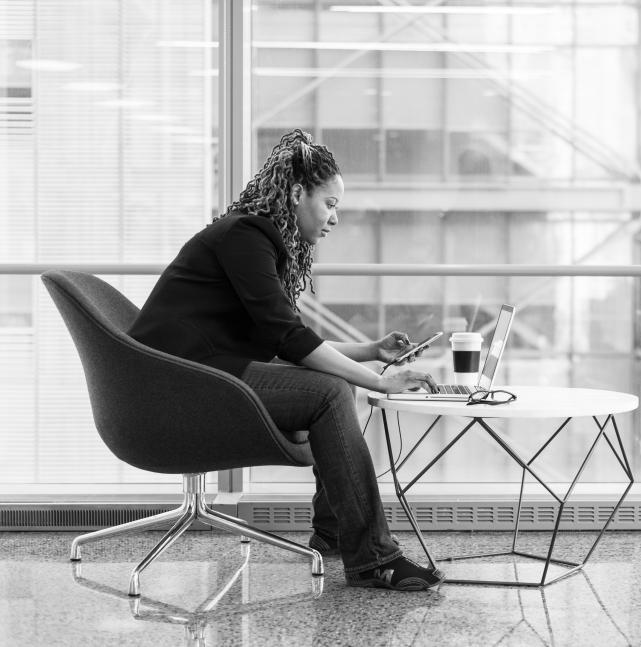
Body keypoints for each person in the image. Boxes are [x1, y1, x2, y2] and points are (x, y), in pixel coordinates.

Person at [128, 129, 444, 591]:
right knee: (331, 389)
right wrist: (381, 382)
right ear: (297, 193)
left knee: (335, 382)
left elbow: (287, 339)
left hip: (199, 374)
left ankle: (335, 534)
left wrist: (372, 353)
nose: (335, 218)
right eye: (330, 204)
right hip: (174, 385)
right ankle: (374, 557)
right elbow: (289, 338)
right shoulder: (246, 236)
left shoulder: (256, 236)